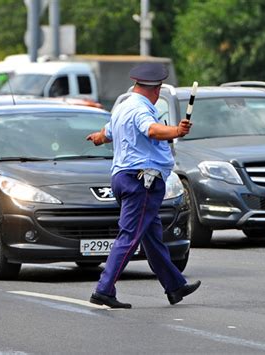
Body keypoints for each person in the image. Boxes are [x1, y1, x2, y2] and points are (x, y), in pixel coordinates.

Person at [86, 63, 201, 308]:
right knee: (129, 236)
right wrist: (176, 131)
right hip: (142, 182)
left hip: (123, 178)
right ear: (156, 89)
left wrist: (97, 138)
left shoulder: (122, 107)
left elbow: (106, 133)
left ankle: (175, 286)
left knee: (152, 237)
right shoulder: (142, 110)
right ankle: (103, 289)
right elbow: (151, 130)